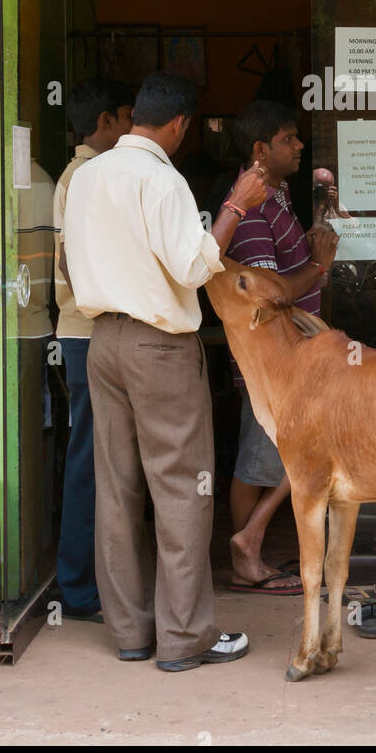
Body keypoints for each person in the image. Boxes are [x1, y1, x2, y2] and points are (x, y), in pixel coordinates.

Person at [62, 72, 267, 671]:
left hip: (102, 344)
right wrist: (234, 206)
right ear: (179, 124)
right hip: (158, 347)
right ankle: (183, 639)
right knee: (183, 490)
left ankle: (130, 633)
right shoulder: (163, 178)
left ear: (135, 117)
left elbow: (73, 268)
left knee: (118, 490)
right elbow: (192, 268)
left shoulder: (86, 177)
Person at [222, 101, 339, 594]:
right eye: (289, 138)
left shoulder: (278, 196)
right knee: (259, 459)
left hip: (297, 354)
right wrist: (322, 263)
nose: (298, 146)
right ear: (259, 150)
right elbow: (273, 296)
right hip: (269, 362)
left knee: (301, 450)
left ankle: (253, 544)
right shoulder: (248, 214)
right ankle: (246, 552)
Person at [52, 78, 134, 622]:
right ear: (105, 122)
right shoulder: (86, 176)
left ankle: (93, 581)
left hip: (87, 335)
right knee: (90, 464)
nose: (131, 128)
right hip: (86, 334)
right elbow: (67, 264)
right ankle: (78, 589)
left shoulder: (82, 173)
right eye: (126, 117)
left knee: (101, 461)